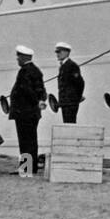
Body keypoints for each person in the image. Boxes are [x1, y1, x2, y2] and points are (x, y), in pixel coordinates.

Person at [8, 46, 46, 175]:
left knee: (25, 141)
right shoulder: (36, 71)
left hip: (24, 112)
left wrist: (34, 101)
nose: (17, 59)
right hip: (32, 113)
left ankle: (26, 168)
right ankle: (31, 167)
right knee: (31, 140)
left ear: (24, 57)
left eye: (18, 57)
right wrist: (39, 100)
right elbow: (41, 91)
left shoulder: (24, 72)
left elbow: (27, 91)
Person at [54, 42, 84, 124]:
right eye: (57, 52)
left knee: (70, 125)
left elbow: (80, 83)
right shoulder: (63, 66)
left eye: (59, 52)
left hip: (70, 103)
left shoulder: (72, 66)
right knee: (67, 125)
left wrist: (77, 98)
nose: (57, 54)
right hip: (65, 103)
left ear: (66, 52)